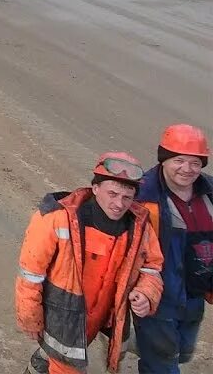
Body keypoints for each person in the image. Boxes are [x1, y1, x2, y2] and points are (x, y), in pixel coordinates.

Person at [15, 152, 165, 374]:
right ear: (95, 189)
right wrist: (29, 317)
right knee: (67, 367)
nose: (118, 203)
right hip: (62, 317)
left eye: (127, 196)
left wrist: (146, 293)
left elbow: (152, 267)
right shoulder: (56, 217)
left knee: (54, 358)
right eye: (112, 194)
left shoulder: (140, 225)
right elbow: (31, 274)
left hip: (101, 318)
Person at [135, 124, 212, 373]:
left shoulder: (210, 191)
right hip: (159, 297)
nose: (187, 169)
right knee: (162, 363)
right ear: (164, 160)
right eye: (179, 160)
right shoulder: (142, 195)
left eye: (195, 163)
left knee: (180, 352)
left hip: (195, 295)